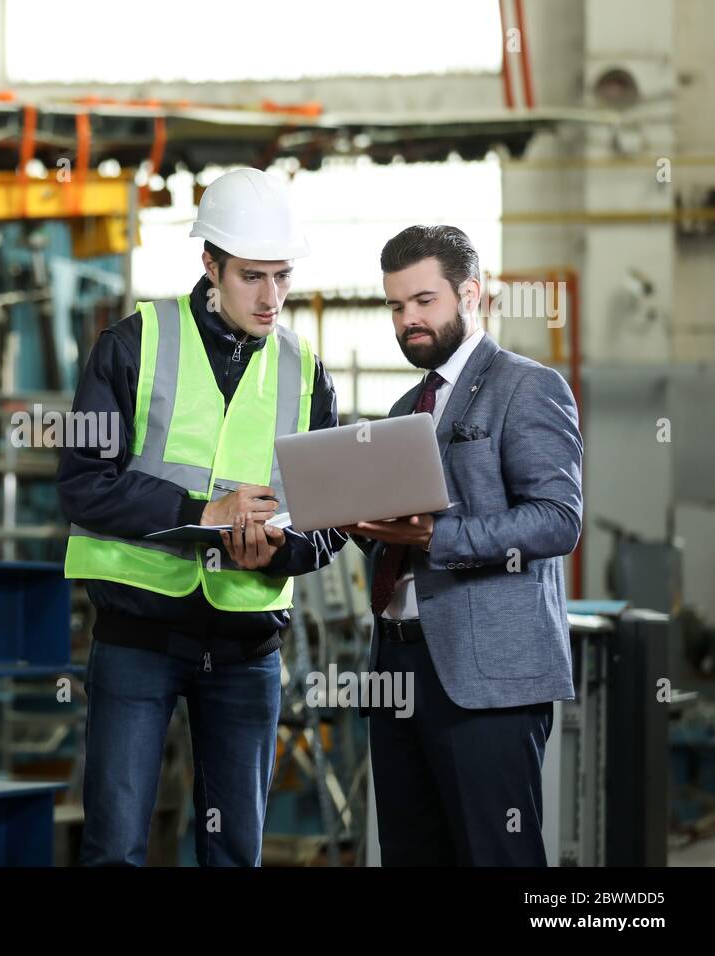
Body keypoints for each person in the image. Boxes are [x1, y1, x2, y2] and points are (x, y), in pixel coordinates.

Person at [58, 168, 347, 866]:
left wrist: (279, 548)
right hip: (137, 637)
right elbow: (82, 484)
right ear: (209, 263)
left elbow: (331, 519)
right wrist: (202, 512)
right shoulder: (132, 344)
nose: (272, 297)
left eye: (282, 276)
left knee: (233, 853)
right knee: (116, 847)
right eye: (252, 276)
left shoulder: (307, 373)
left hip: (246, 650)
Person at [343, 224, 583, 866]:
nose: (408, 320)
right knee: (410, 854)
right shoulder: (402, 409)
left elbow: (557, 519)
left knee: (494, 856)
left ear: (469, 293)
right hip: (397, 669)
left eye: (425, 302)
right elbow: (399, 544)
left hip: (486, 676)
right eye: (396, 306)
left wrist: (436, 535)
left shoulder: (526, 386)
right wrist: (354, 521)